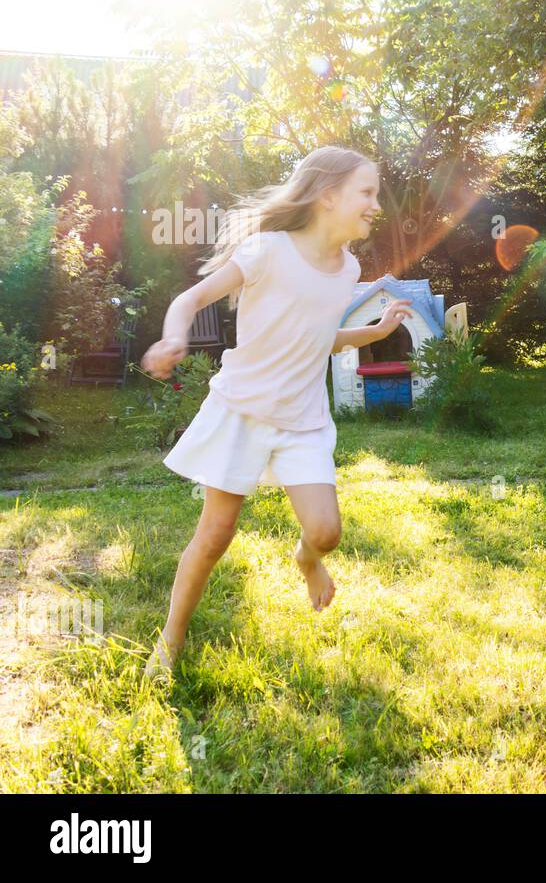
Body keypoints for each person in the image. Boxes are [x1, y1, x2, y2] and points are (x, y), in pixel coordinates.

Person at [139, 146, 413, 676]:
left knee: (326, 533)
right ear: (328, 195)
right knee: (216, 534)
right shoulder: (267, 251)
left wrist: (374, 332)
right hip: (242, 410)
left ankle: (305, 558)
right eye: (367, 192)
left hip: (303, 421)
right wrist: (174, 337)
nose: (376, 205)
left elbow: (317, 337)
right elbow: (189, 300)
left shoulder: (347, 268)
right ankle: (170, 643)